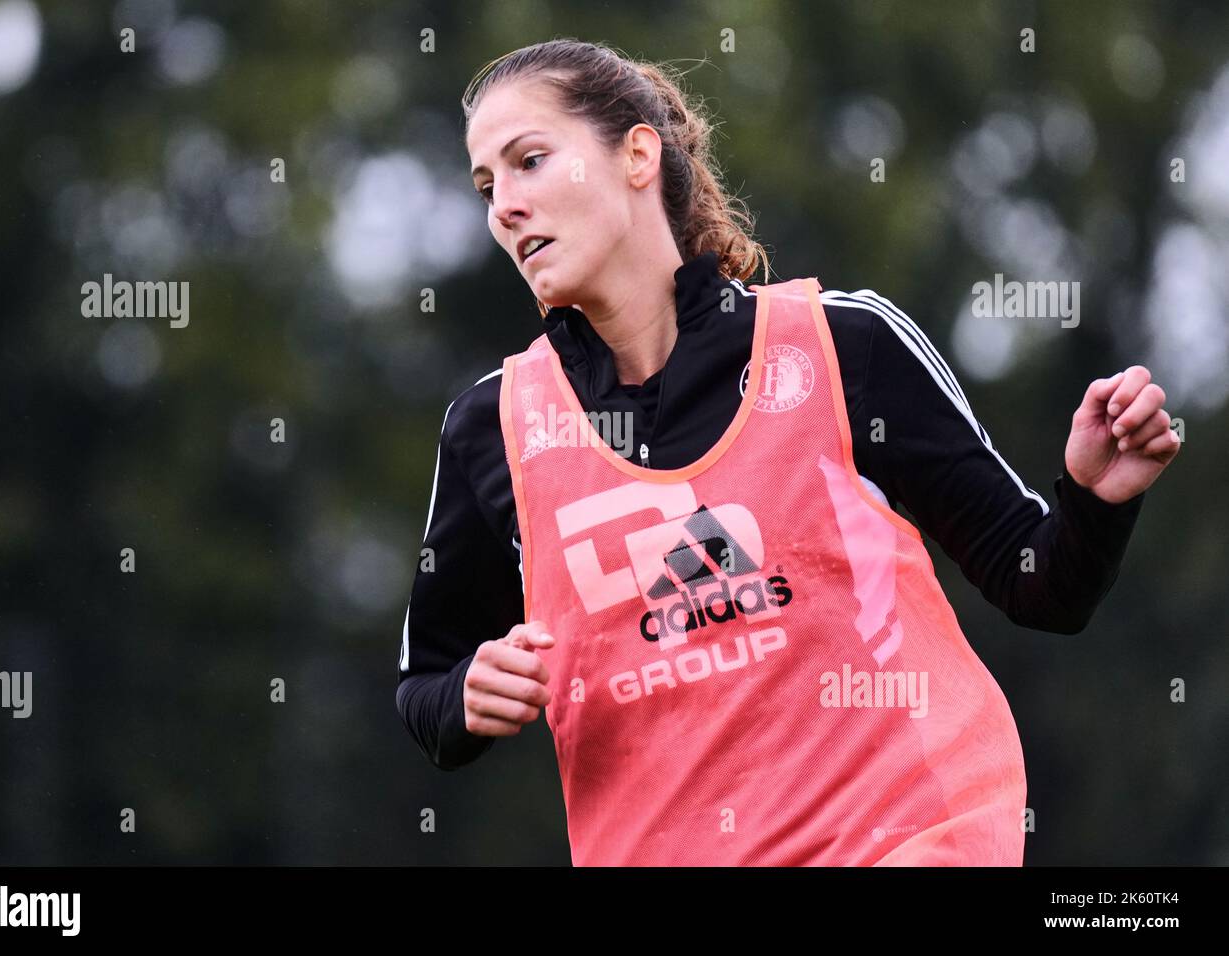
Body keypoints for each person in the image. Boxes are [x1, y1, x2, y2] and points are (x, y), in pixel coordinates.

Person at [396, 38, 1180, 866]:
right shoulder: (495, 427)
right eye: (487, 186)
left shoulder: (842, 347)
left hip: (912, 840)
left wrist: (1097, 498)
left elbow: (1042, 585)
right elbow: (426, 690)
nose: (504, 207)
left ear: (635, 155)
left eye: (529, 161)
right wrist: (467, 697)